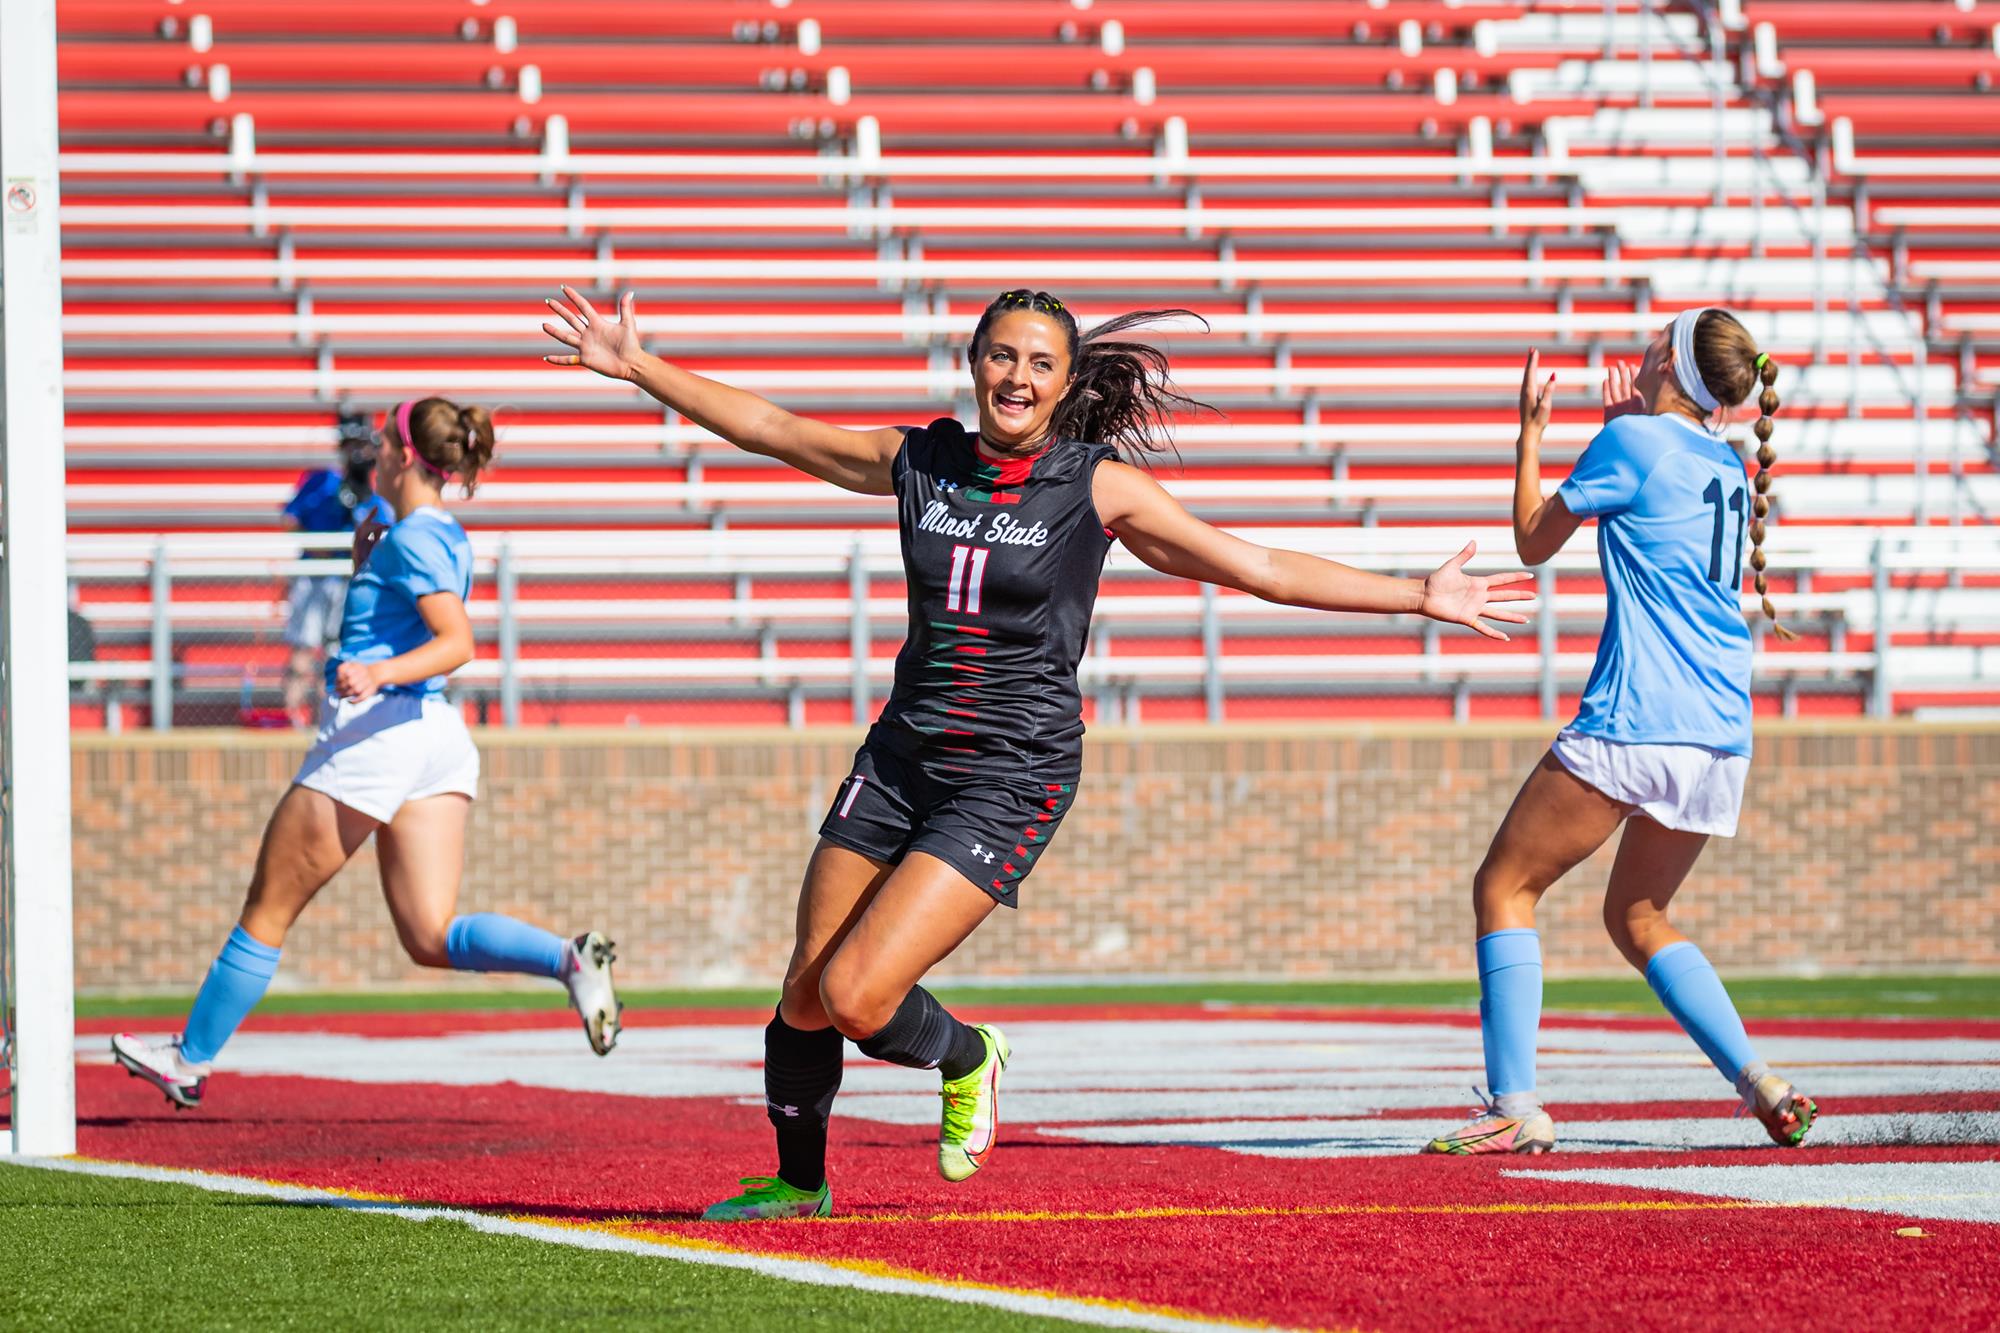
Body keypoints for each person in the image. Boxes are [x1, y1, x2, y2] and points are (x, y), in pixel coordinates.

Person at [543, 284, 1533, 1219]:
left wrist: (1416, 595)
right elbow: (774, 429)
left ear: (1063, 384)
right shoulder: (921, 459)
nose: (1017, 376)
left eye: (1040, 363)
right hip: (899, 757)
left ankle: (968, 1055)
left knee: (855, 995)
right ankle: (799, 1184)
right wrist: (641, 367)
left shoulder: (1094, 485)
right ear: (974, 362)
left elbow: (1255, 564)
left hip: (1010, 774)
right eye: (1002, 355)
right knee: (806, 984)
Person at [112, 398, 622, 1110]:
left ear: (406, 456)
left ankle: (188, 1059)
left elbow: (457, 641)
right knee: (429, 934)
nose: (371, 454)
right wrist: (368, 567)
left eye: (382, 443)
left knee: (269, 906)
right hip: (433, 734)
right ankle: (567, 958)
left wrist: (377, 670)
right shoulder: (435, 531)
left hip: (379, 731)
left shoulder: (412, 538)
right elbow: (407, 609)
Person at [1422, 308, 1817, 1157]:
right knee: (1638, 915)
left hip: (1640, 715)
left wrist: (1532, 434)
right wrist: (1618, 431)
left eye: (1656, 338)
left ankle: (1514, 1105)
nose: (1642, 344)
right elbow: (1654, 513)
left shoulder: (1633, 443)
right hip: (1720, 729)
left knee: (1504, 887)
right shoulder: (1724, 461)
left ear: (1669, 364)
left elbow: (1532, 541)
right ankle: (1762, 1082)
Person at [281, 411, 396, 728]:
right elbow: (291, 520)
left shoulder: (375, 498)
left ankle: (326, 721)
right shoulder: (322, 483)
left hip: (348, 583)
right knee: (303, 650)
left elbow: (378, 541)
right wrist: (321, 539)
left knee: (336, 655)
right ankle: (291, 719)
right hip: (313, 578)